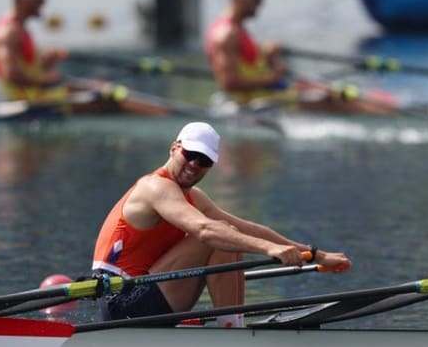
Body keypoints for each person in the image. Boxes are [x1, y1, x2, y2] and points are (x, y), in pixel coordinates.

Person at [92, 121, 351, 324]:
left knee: (231, 232)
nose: (194, 164)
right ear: (174, 148)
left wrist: (316, 254)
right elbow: (205, 230)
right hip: (121, 301)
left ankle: (232, 326)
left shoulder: (191, 196)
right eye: (190, 154)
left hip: (144, 295)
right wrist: (268, 250)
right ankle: (233, 331)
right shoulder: (155, 187)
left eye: (204, 161)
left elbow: (251, 229)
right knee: (220, 235)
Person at [204, 0, 396, 115]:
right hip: (254, 101)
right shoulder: (225, 34)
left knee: (323, 88)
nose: (260, 4)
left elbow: (249, 65)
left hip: (269, 92)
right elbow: (229, 83)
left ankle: (387, 107)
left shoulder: (238, 29)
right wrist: (273, 77)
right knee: (330, 97)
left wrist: (267, 55)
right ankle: (388, 114)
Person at [0, 0, 170, 115]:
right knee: (111, 98)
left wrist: (47, 62)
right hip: (35, 99)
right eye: (39, 0)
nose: (43, 5)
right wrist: (47, 80)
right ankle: (164, 115)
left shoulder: (18, 28)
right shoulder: (7, 32)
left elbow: (29, 70)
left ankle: (163, 112)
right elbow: (11, 75)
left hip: (42, 92)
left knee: (103, 87)